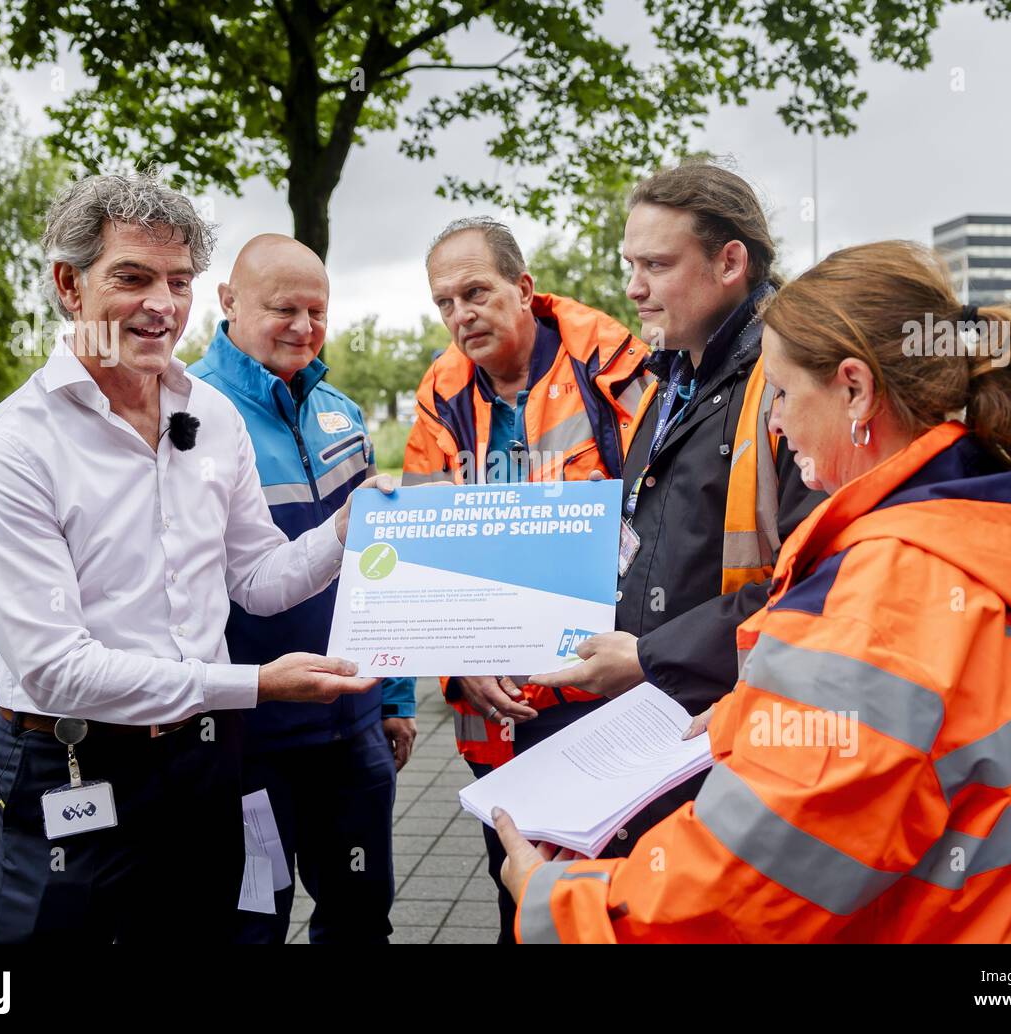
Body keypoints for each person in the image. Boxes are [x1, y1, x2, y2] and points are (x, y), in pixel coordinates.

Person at [496, 239, 1011, 943]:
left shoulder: (880, 592)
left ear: (855, 389)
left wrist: (554, 904)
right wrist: (761, 714)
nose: (774, 422)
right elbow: (930, 735)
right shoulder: (994, 526)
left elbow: (748, 884)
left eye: (780, 393)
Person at [0, 172, 389, 944]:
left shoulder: (210, 415)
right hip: (69, 763)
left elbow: (257, 579)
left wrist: (346, 531)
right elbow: (58, 671)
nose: (162, 304)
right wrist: (255, 684)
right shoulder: (7, 451)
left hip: (205, 761)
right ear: (69, 285)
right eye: (132, 277)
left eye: (178, 281)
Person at [528, 160, 822, 853]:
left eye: (657, 265)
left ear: (730, 263)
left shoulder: (790, 386)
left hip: (734, 740)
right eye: (630, 265)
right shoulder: (671, 378)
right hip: (660, 729)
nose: (634, 288)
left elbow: (817, 591)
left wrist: (650, 656)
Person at [403, 215, 652, 939]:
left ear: (523, 287)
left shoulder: (612, 365)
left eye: (475, 292)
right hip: (495, 708)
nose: (460, 315)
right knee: (515, 893)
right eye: (444, 303)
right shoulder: (440, 391)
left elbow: (664, 521)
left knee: (609, 897)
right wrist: (459, 658)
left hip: (601, 696)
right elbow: (426, 545)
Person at [189, 234, 416, 944]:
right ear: (228, 302)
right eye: (283, 309)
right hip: (249, 733)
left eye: (318, 311)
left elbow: (381, 564)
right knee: (252, 923)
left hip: (353, 727)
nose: (304, 327)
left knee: (360, 918)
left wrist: (395, 695)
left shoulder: (341, 413)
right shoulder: (188, 413)